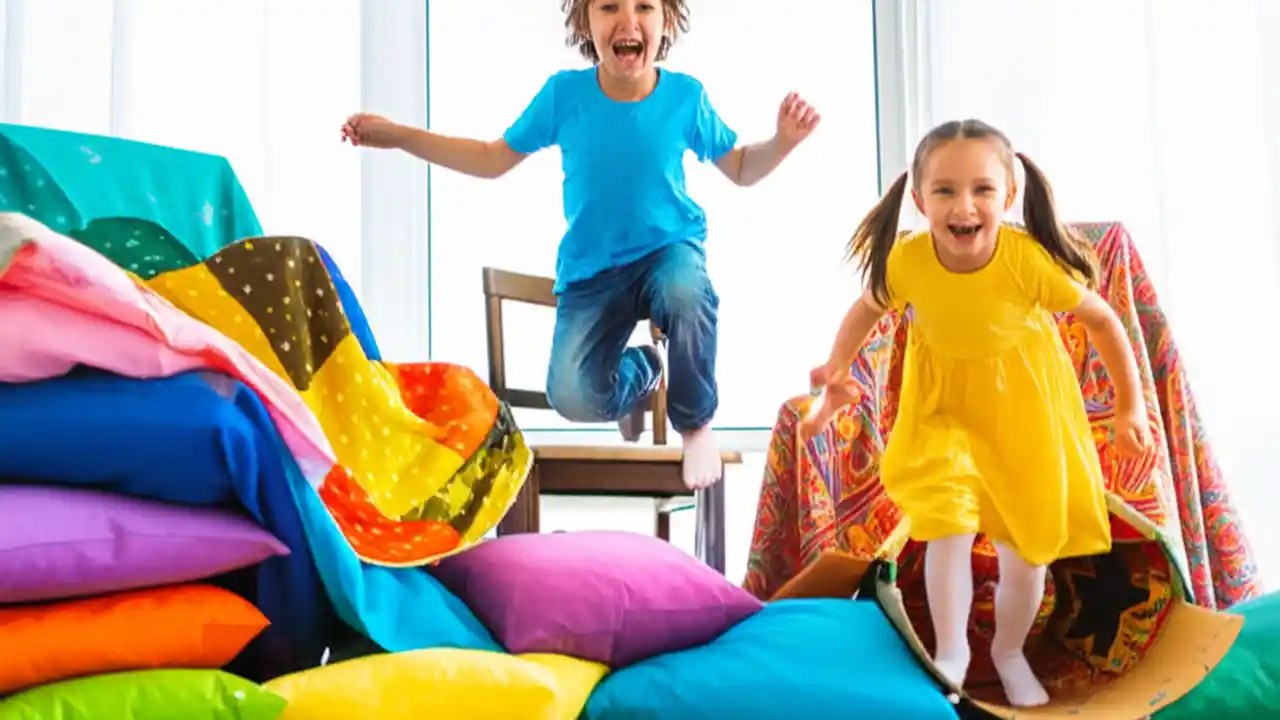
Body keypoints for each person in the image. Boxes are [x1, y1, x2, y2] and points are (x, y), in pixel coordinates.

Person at [341, 0, 819, 490]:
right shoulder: (564, 96)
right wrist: (397, 136)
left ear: (666, 21)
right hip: (593, 274)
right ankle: (646, 369)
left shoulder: (685, 98)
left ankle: (695, 422)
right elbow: (490, 158)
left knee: (685, 290)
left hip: (668, 252)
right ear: (585, 22)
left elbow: (740, 167)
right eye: (609, 6)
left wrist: (782, 141)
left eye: (644, 7)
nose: (628, 20)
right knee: (572, 396)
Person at [800, 119, 1153, 707]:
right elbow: (865, 311)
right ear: (919, 200)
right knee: (947, 525)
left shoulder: (1026, 262)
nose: (963, 206)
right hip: (943, 411)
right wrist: (836, 370)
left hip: (1025, 418)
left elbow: (1102, 320)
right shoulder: (910, 261)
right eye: (944, 191)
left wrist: (1129, 404)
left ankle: (1008, 651)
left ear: (1008, 196)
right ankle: (952, 650)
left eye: (982, 190)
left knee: (1025, 554)